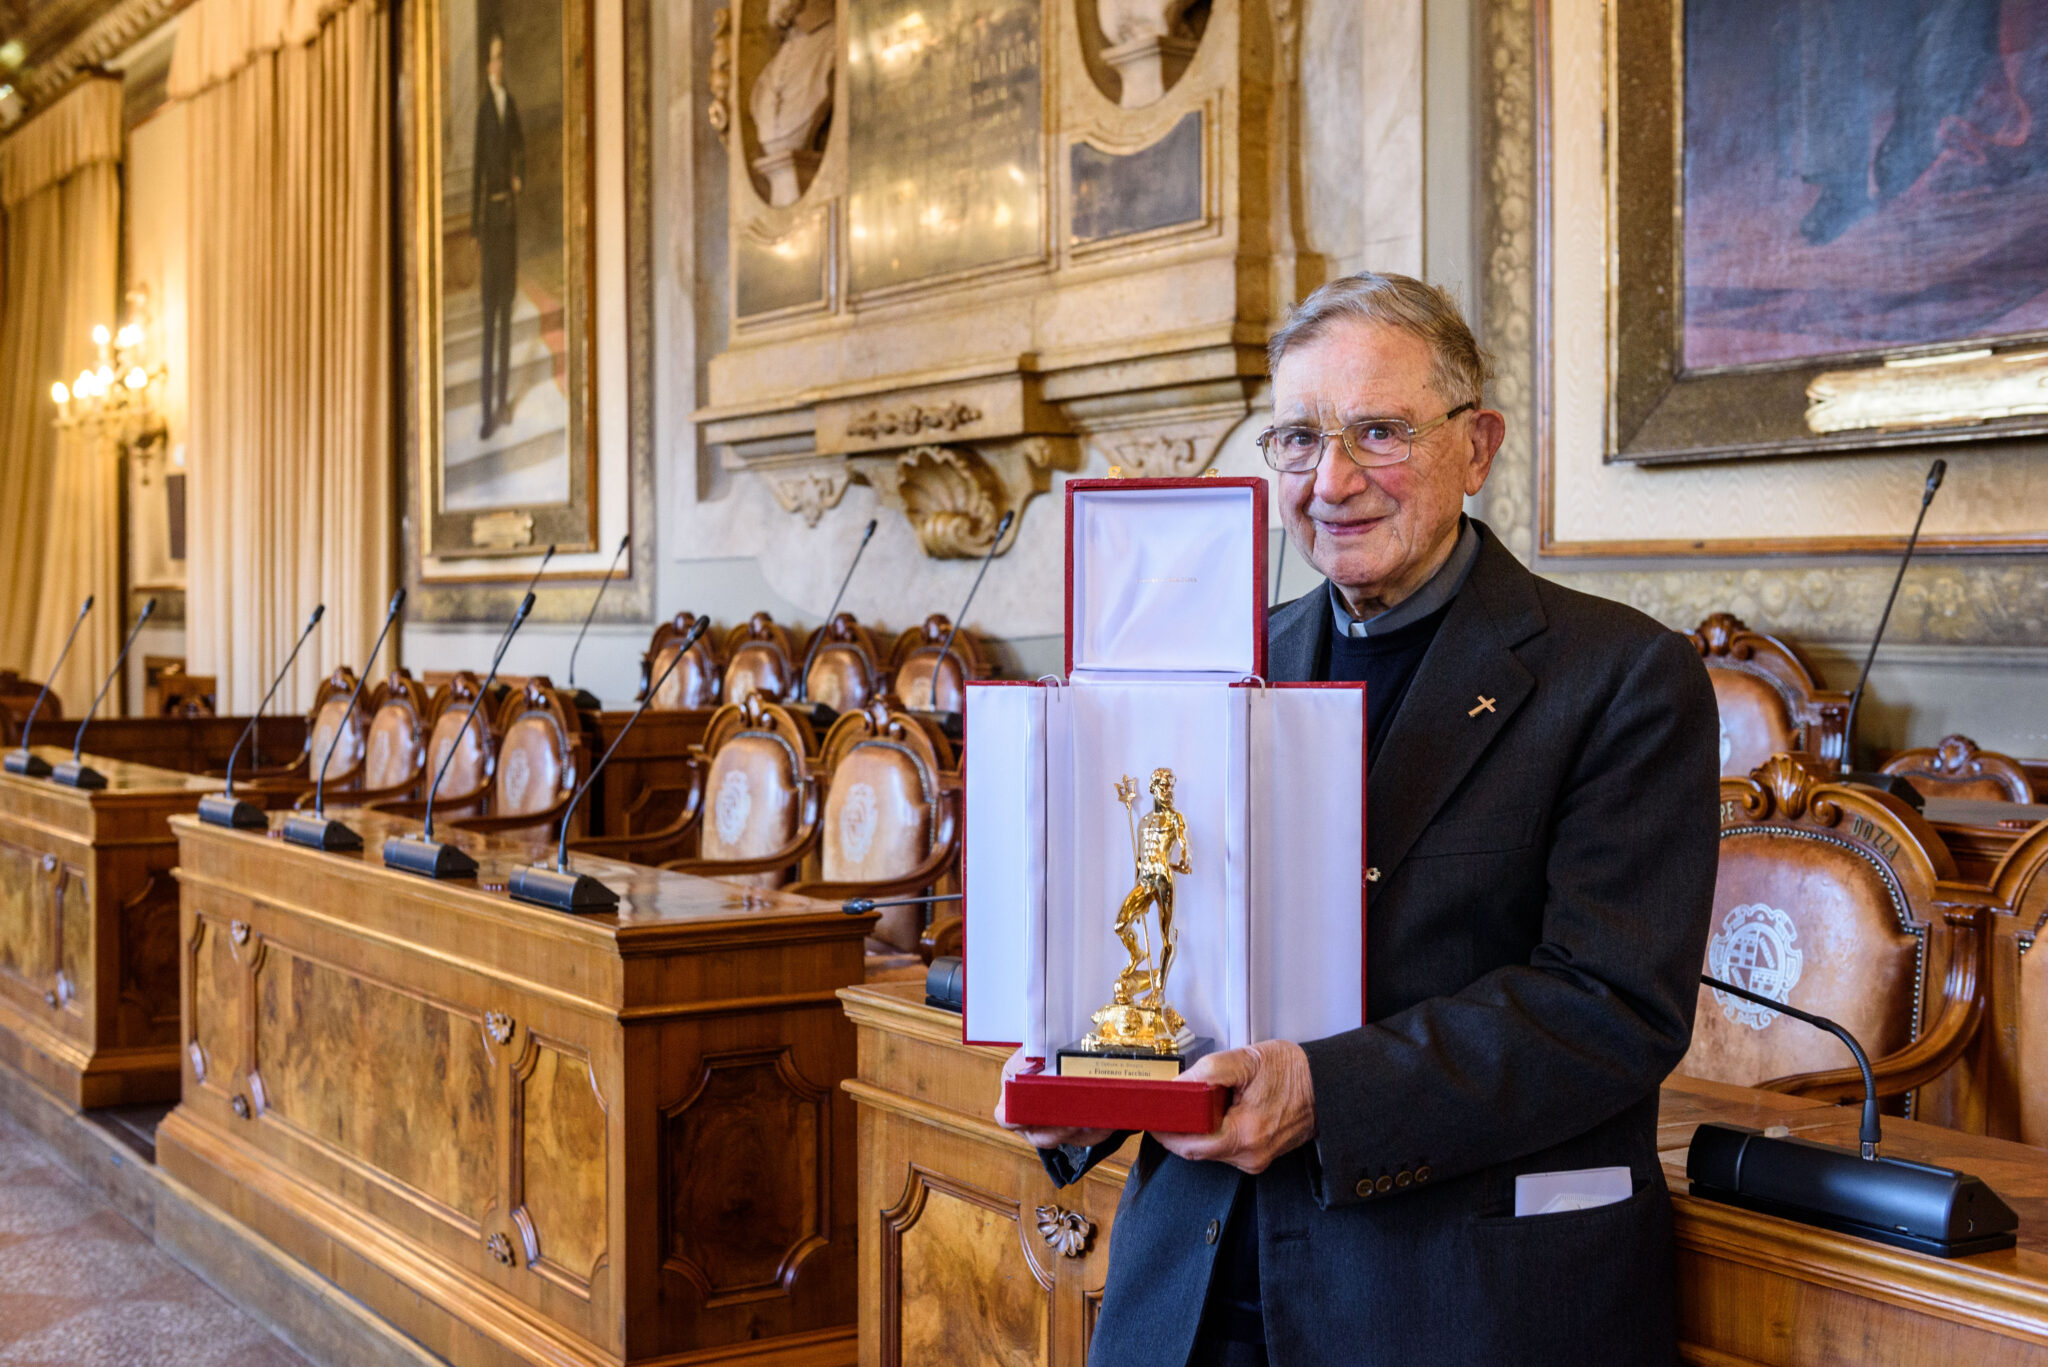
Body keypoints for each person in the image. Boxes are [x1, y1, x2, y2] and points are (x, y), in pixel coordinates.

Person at [998, 272, 1721, 1366]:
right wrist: (1089, 1072)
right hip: (1189, 1284)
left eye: (1377, 431)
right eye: (1295, 439)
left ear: (1475, 447)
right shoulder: (1222, 658)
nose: (1330, 481)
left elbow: (1609, 1005)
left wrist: (1322, 1094)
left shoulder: (1621, 676)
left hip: (1449, 1296)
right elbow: (1174, 942)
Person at [472, 31, 524, 439]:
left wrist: (519, 173)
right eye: (495, 58)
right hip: (489, 223)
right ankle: (486, 408)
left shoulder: (512, 107)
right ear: (486, 66)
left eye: (504, 57)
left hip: (509, 221)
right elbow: (475, 170)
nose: (501, 64)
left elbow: (520, 147)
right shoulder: (484, 111)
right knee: (490, 316)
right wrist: (475, 227)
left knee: (507, 312)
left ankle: (503, 401)